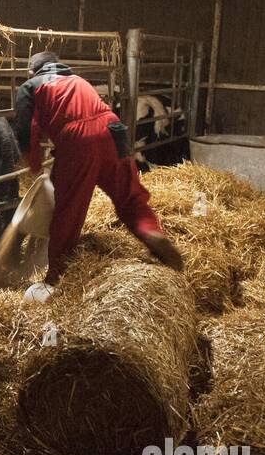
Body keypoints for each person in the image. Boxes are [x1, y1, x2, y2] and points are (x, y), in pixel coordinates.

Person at [13, 50, 183, 294]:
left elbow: (26, 131)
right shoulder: (77, 81)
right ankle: (152, 232)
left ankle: (56, 278)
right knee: (129, 197)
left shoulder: (30, 87)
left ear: (32, 71)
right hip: (113, 129)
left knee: (68, 210)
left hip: (79, 139)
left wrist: (34, 165)